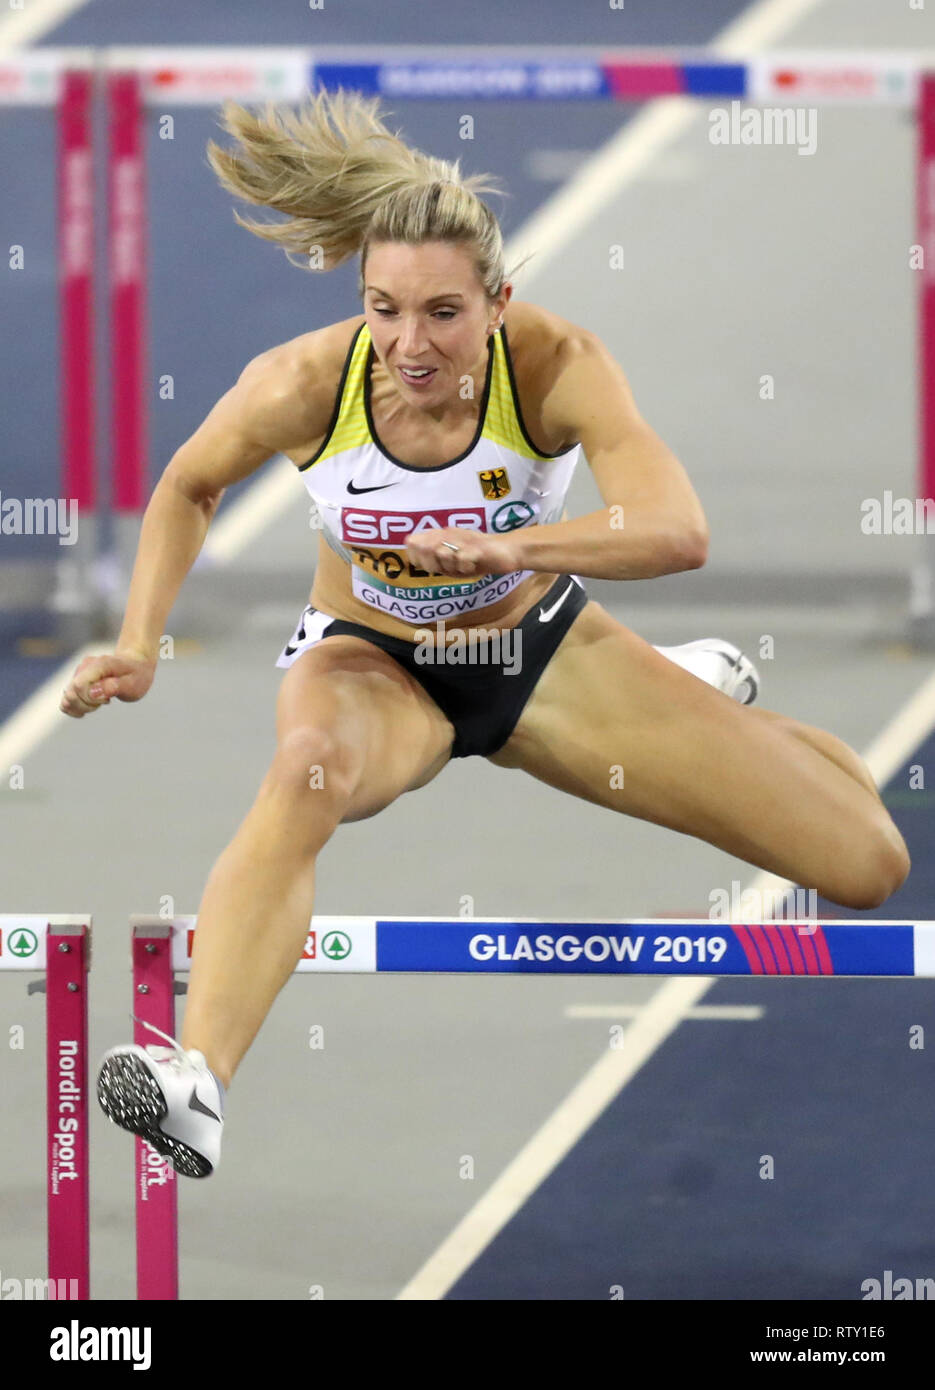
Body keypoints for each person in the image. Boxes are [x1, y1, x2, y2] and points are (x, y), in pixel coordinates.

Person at [59, 91, 909, 1178]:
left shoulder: (556, 366)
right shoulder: (304, 385)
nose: (411, 346)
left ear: (497, 301)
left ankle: (684, 688)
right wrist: (139, 640)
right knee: (305, 769)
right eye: (384, 309)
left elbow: (676, 530)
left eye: (442, 314)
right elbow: (186, 485)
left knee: (864, 864)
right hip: (370, 662)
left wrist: (519, 549)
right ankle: (199, 1083)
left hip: (536, 653)